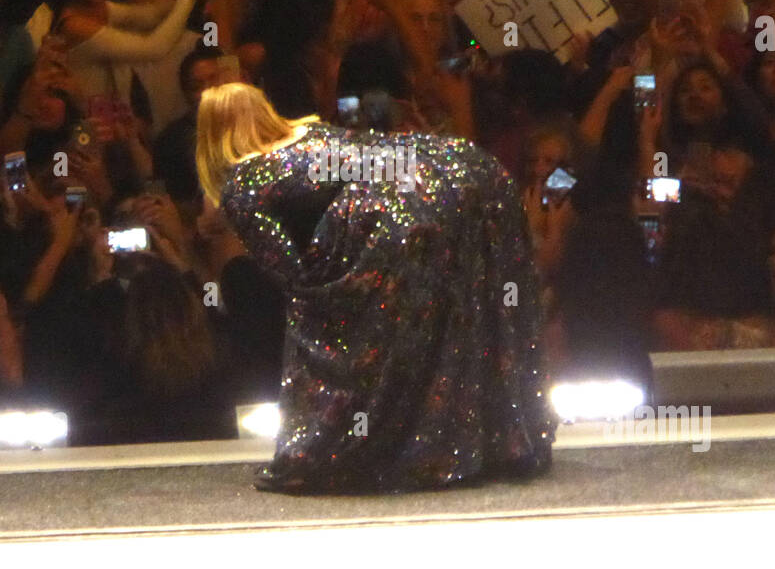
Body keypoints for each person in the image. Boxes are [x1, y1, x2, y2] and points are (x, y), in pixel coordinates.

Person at [196, 82, 553, 492]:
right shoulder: (314, 132)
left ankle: (380, 451)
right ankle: (490, 444)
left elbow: (293, 278)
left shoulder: (243, 185)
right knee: (462, 309)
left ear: (209, 136)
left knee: (343, 325)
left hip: (398, 205)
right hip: (467, 170)